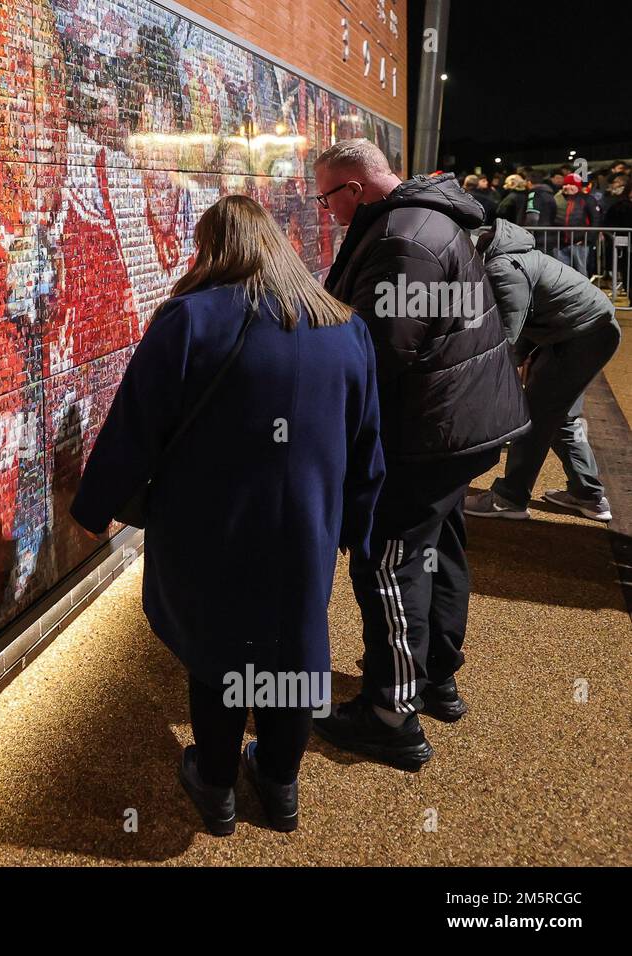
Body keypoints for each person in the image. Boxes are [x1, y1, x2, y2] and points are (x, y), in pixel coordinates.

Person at [71, 195, 385, 835]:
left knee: (221, 649)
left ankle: (215, 789)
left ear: (213, 248)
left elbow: (136, 426)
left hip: (212, 525)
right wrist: (356, 524)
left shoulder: (191, 320)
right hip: (307, 526)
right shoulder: (345, 329)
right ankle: (279, 782)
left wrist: (94, 508)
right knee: (295, 643)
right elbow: (367, 443)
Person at [310, 139, 530, 770]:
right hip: (462, 424)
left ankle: (390, 714)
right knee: (441, 543)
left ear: (353, 186)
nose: (326, 212)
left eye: (328, 198)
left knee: (389, 561)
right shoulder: (427, 216)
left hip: (431, 431)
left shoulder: (402, 237)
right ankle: (436, 677)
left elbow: (380, 352)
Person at [466, 219, 621, 521]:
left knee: (533, 416)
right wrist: (524, 357)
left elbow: (505, 338)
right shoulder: (512, 257)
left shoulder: (503, 269)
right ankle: (588, 494)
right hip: (582, 333)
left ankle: (509, 498)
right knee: (559, 414)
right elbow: (522, 324)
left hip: (581, 337)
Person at [554, 173, 598, 276]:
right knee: (562, 274)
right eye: (565, 184)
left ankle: (584, 292)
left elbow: (596, 220)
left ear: (578, 186)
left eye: (571, 184)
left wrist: (588, 239)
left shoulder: (587, 199)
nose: (567, 187)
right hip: (560, 243)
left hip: (580, 244)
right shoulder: (557, 199)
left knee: (581, 273)